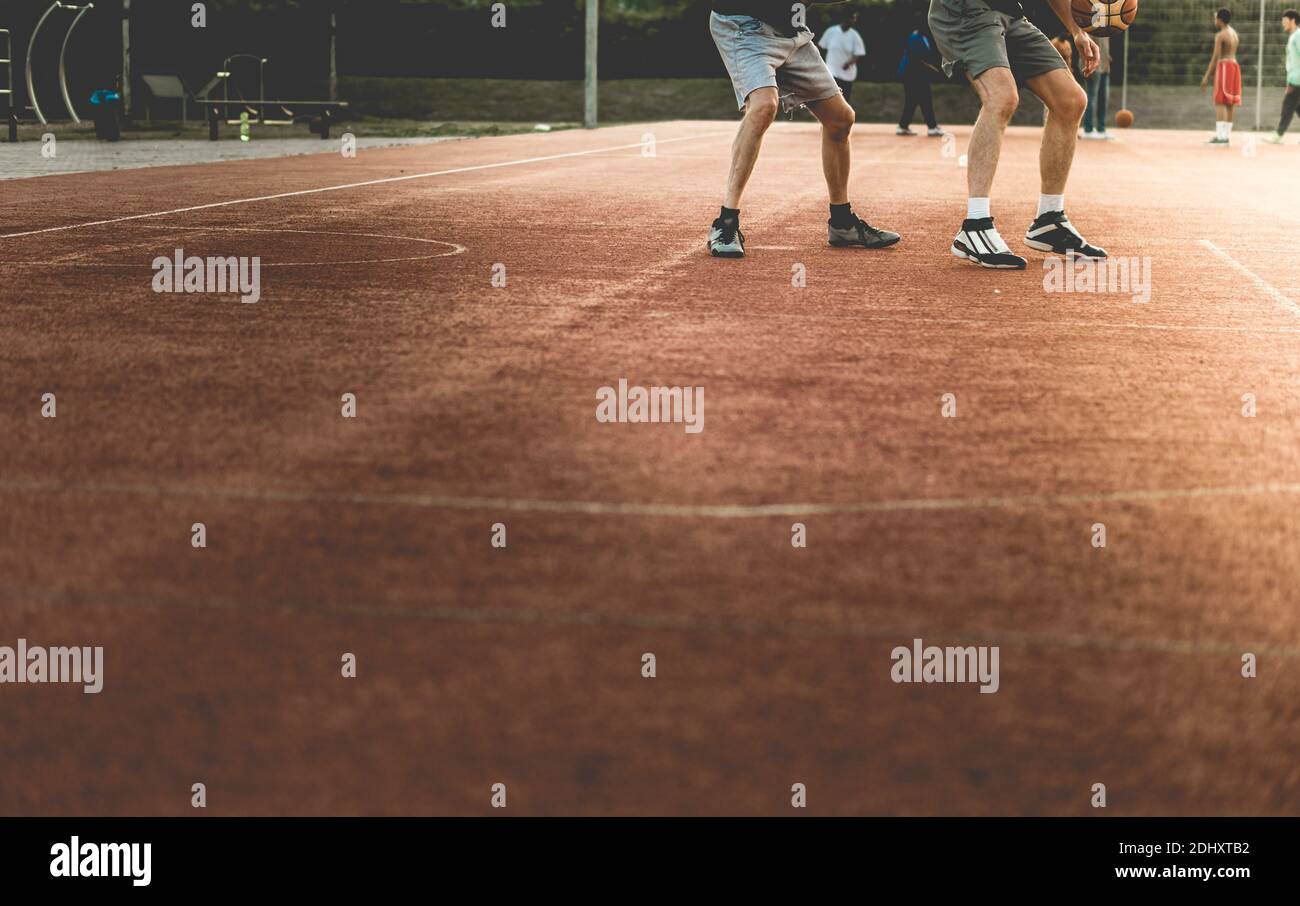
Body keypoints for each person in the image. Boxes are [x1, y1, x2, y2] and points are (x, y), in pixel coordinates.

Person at [707, 1, 900, 258]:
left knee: (840, 119)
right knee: (764, 106)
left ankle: (842, 224)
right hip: (743, 27)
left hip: (793, 34)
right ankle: (725, 223)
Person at [927, 0, 1106, 270]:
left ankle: (1050, 219)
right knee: (1001, 97)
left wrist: (1078, 30)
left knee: (1070, 101)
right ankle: (975, 225)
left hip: (1009, 12)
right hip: (964, 10)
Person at [897, 17, 948, 136]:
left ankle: (903, 126)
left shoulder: (923, 37)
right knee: (925, 100)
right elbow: (916, 57)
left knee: (912, 101)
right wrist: (932, 67)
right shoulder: (914, 37)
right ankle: (932, 127)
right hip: (912, 75)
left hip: (918, 74)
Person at [1201, 8, 1241, 147]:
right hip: (1235, 66)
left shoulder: (1220, 35)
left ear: (1220, 20)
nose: (1214, 20)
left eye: (1215, 18)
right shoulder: (1234, 33)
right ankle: (1226, 137)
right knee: (1230, 102)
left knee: (1220, 101)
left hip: (1225, 66)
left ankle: (1220, 137)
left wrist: (1206, 76)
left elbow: (1215, 57)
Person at [1263, 9, 1300, 144]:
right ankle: (1278, 134)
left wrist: (1293, 78)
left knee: (1288, 106)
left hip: (1297, 79)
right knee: (1297, 107)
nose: (1283, 24)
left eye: (1285, 21)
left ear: (1293, 21)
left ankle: (1278, 134)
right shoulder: (1293, 36)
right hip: (1294, 77)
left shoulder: (1298, 36)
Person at [819, 9, 867, 102]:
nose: (854, 20)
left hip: (847, 74)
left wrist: (849, 63)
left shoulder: (855, 36)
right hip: (832, 72)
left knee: (844, 101)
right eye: (852, 18)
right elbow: (820, 47)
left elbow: (858, 54)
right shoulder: (831, 31)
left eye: (855, 18)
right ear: (845, 18)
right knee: (831, 100)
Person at [1082, 35, 1113, 140]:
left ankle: (1101, 129)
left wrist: (1107, 56)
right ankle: (1088, 130)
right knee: (1091, 98)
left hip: (1105, 65)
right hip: (1093, 65)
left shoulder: (1108, 23)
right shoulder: (1089, 21)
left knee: (1104, 98)